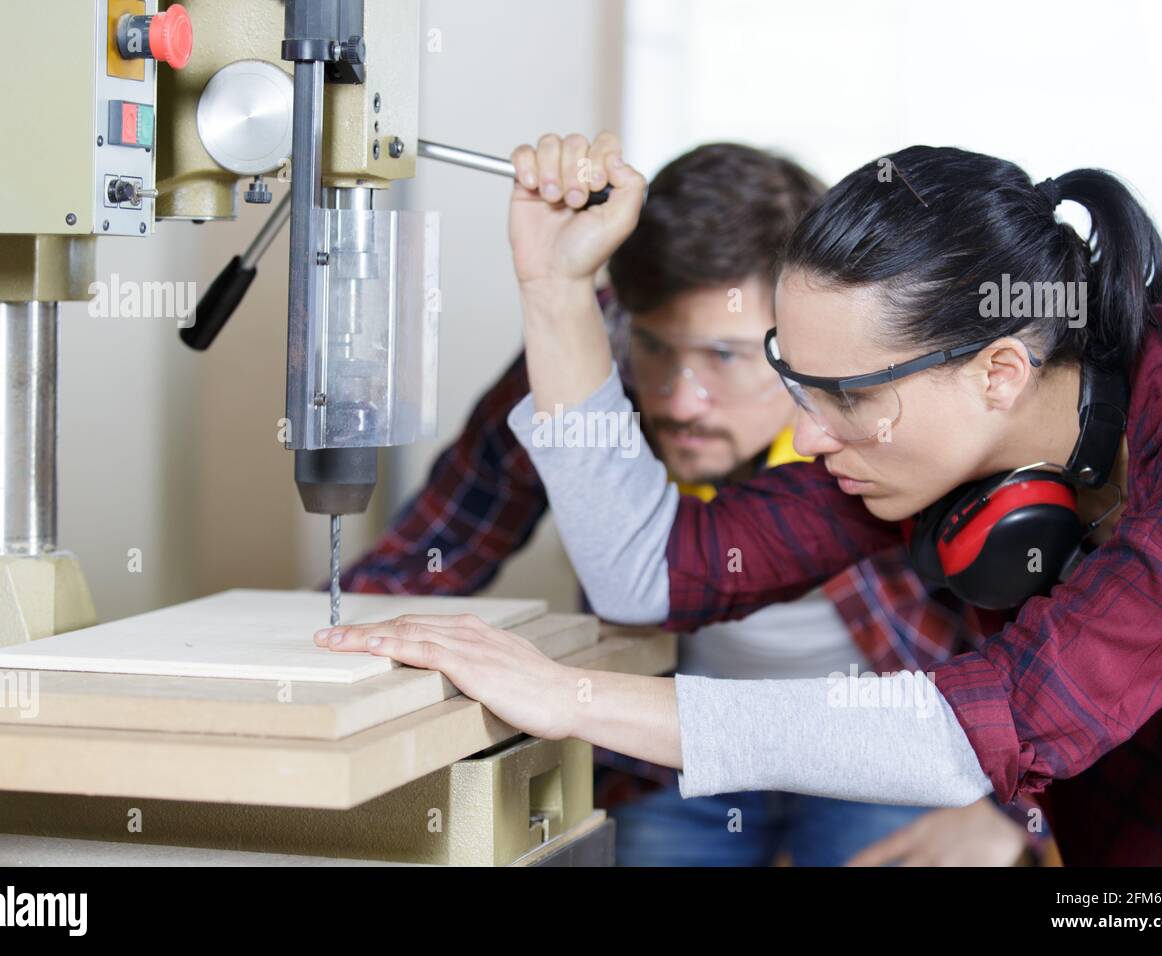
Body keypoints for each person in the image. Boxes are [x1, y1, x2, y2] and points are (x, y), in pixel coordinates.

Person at [336, 140, 1034, 866]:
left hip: (880, 737)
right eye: (656, 348)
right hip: (664, 748)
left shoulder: (913, 394)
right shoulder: (579, 361)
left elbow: (1066, 648)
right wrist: (326, 645)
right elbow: (439, 542)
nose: (680, 397)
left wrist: (1014, 814)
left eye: (725, 357)